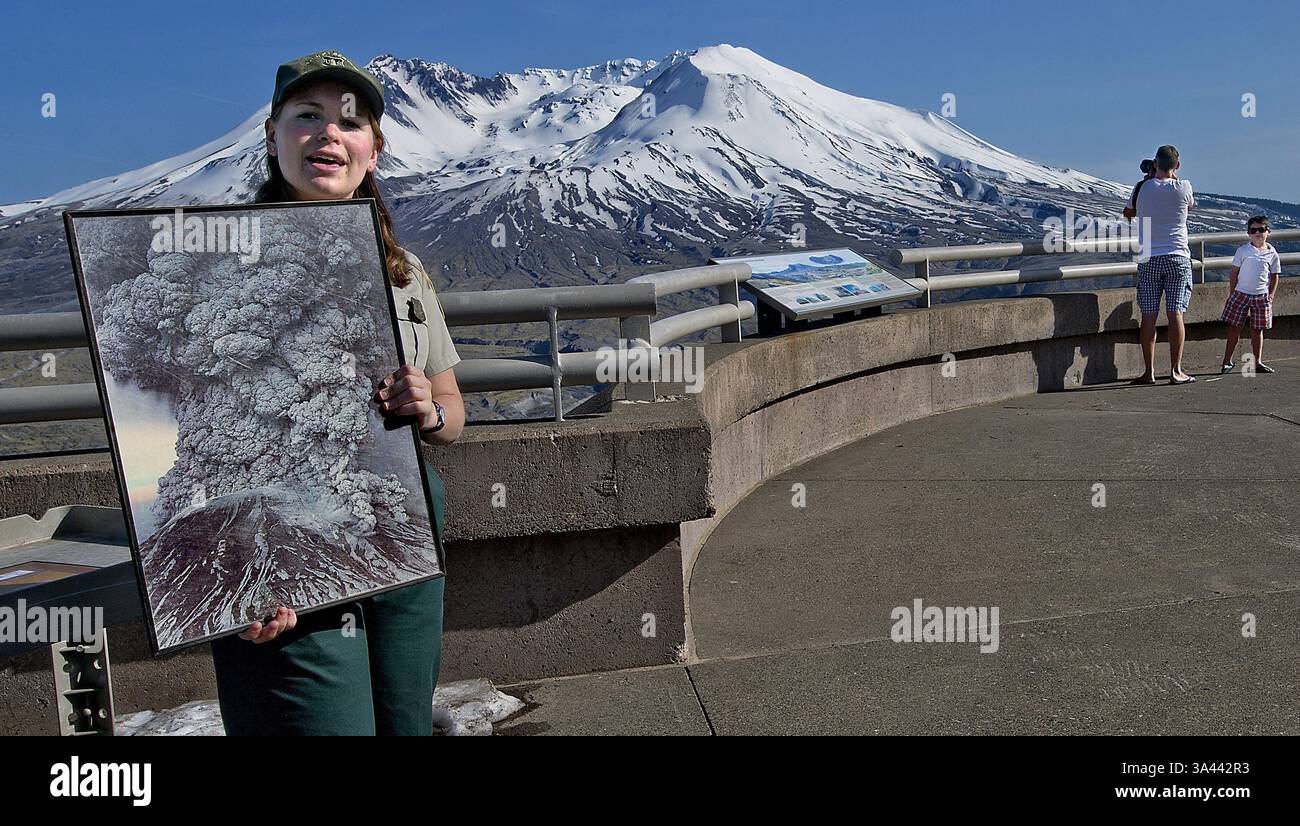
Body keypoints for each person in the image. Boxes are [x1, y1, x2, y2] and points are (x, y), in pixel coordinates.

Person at [208, 50, 466, 735]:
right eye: (307, 117)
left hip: (404, 534)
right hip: (285, 552)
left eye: (349, 123)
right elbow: (189, 442)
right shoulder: (212, 267)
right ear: (272, 137)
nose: (328, 134)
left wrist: (429, 409)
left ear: (373, 150)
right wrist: (237, 573)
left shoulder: (405, 273)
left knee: (403, 721)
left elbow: (453, 415)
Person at [1132, 144, 1196, 386]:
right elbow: (1190, 205)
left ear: (1155, 164)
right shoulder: (1184, 186)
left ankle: (1148, 372)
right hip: (1178, 258)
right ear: (1177, 166)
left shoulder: (1141, 188)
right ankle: (1176, 371)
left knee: (1148, 316)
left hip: (1149, 259)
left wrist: (1150, 178)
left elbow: (1132, 211)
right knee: (1175, 314)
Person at [1220, 216, 1281, 374]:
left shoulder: (1272, 253)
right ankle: (1227, 360)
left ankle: (1257, 361)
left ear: (1268, 232)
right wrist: (1232, 293)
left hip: (1261, 295)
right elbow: (1234, 274)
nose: (1257, 233)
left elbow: (1275, 275)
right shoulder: (1242, 251)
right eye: (1253, 230)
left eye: (1261, 230)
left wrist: (1271, 295)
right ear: (1248, 233)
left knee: (1257, 329)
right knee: (1235, 327)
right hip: (1241, 293)